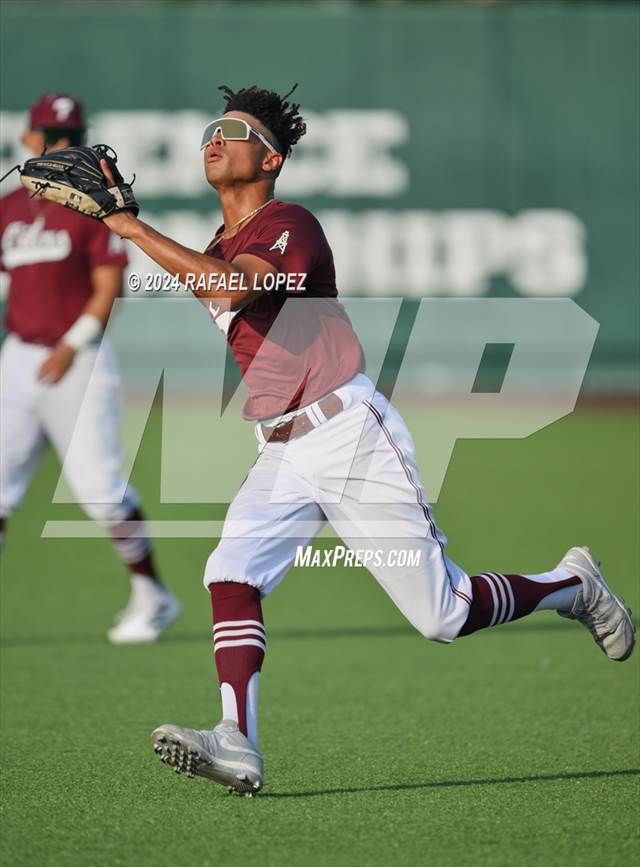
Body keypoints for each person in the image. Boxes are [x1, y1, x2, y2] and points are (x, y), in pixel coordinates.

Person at [96, 84, 634, 795]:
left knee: (444, 613)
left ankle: (573, 585)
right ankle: (237, 739)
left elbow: (230, 289)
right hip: (281, 448)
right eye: (209, 132)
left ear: (272, 157)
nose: (214, 139)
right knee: (231, 572)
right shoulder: (218, 246)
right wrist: (131, 231)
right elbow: (213, 275)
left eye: (234, 131)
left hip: (348, 431)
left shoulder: (290, 224)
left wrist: (131, 228)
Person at [0, 93, 180, 644]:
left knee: (101, 490)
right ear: (29, 140)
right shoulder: (10, 206)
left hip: (78, 358)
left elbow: (108, 286)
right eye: (52, 137)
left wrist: (70, 344)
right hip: (18, 356)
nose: (61, 146)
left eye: (70, 137)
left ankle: (152, 595)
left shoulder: (91, 204)